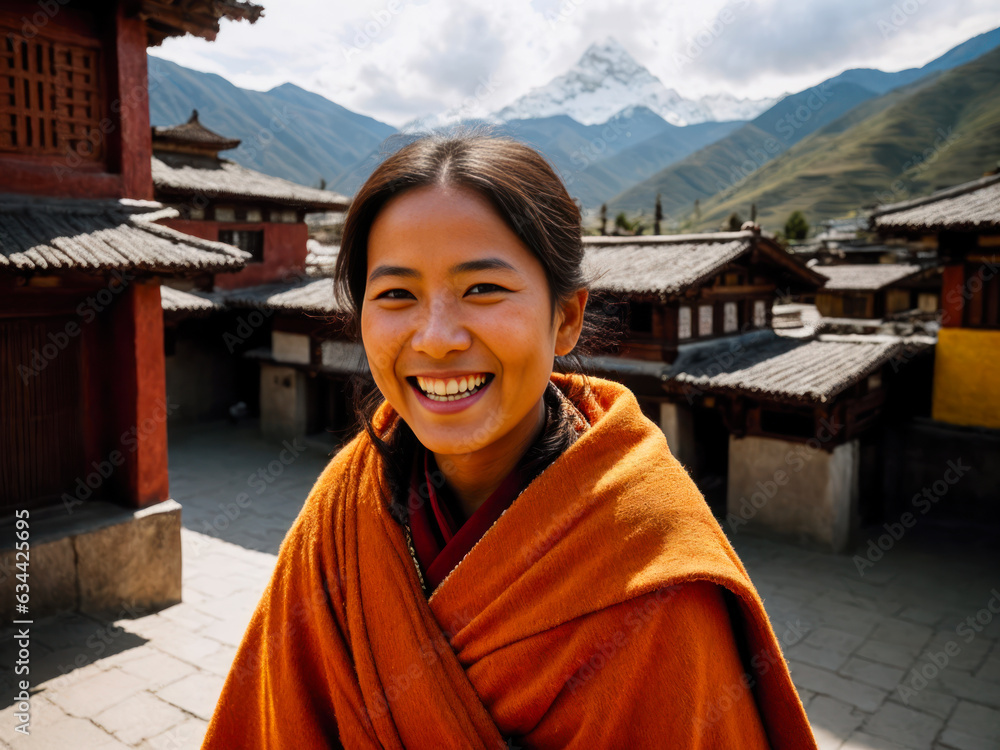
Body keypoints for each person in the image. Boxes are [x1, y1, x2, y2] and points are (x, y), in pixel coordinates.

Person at [200, 129, 818, 749]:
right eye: (395, 295)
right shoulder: (342, 508)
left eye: (483, 289)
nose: (436, 338)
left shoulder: (652, 572)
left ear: (567, 317)